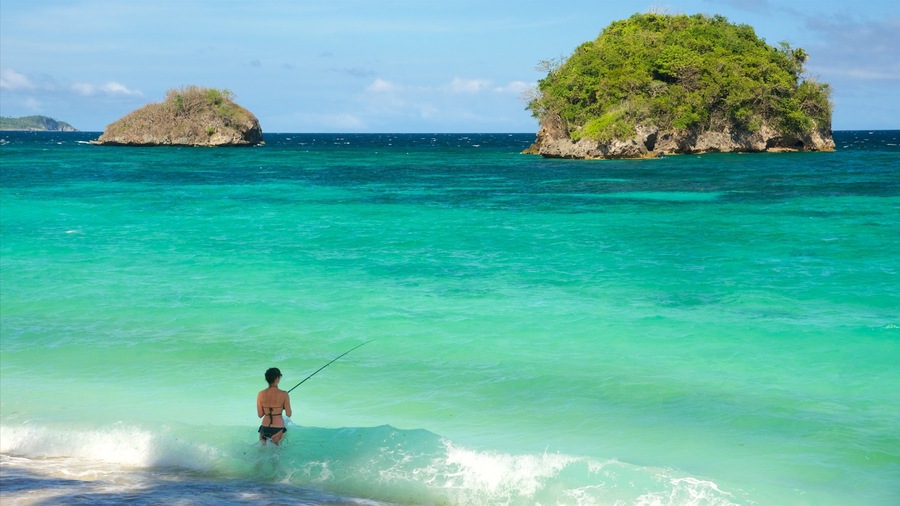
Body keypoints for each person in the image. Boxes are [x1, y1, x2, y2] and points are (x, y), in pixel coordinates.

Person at [257, 367, 292, 445]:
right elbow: (288, 414)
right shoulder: (284, 394)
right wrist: (280, 407)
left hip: (264, 428)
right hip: (278, 429)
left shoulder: (260, 394)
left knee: (262, 452)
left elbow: (260, 415)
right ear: (277, 378)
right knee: (276, 454)